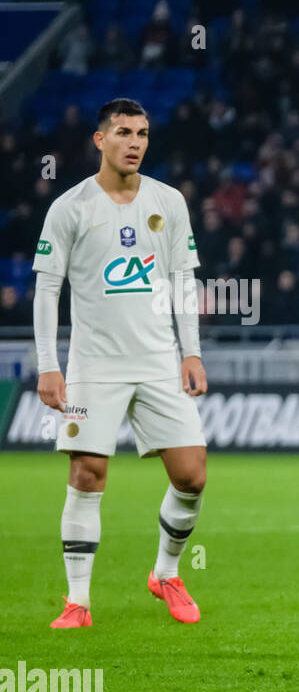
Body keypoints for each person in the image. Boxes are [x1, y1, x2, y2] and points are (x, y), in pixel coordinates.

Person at [34, 98, 207, 628]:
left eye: (143, 134)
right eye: (124, 132)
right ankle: (78, 602)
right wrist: (48, 363)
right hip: (94, 366)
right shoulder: (70, 207)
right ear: (100, 139)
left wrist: (191, 351)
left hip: (158, 361)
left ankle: (165, 573)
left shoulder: (168, 201)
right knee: (88, 474)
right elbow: (47, 289)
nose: (135, 143)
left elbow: (183, 281)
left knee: (192, 476)